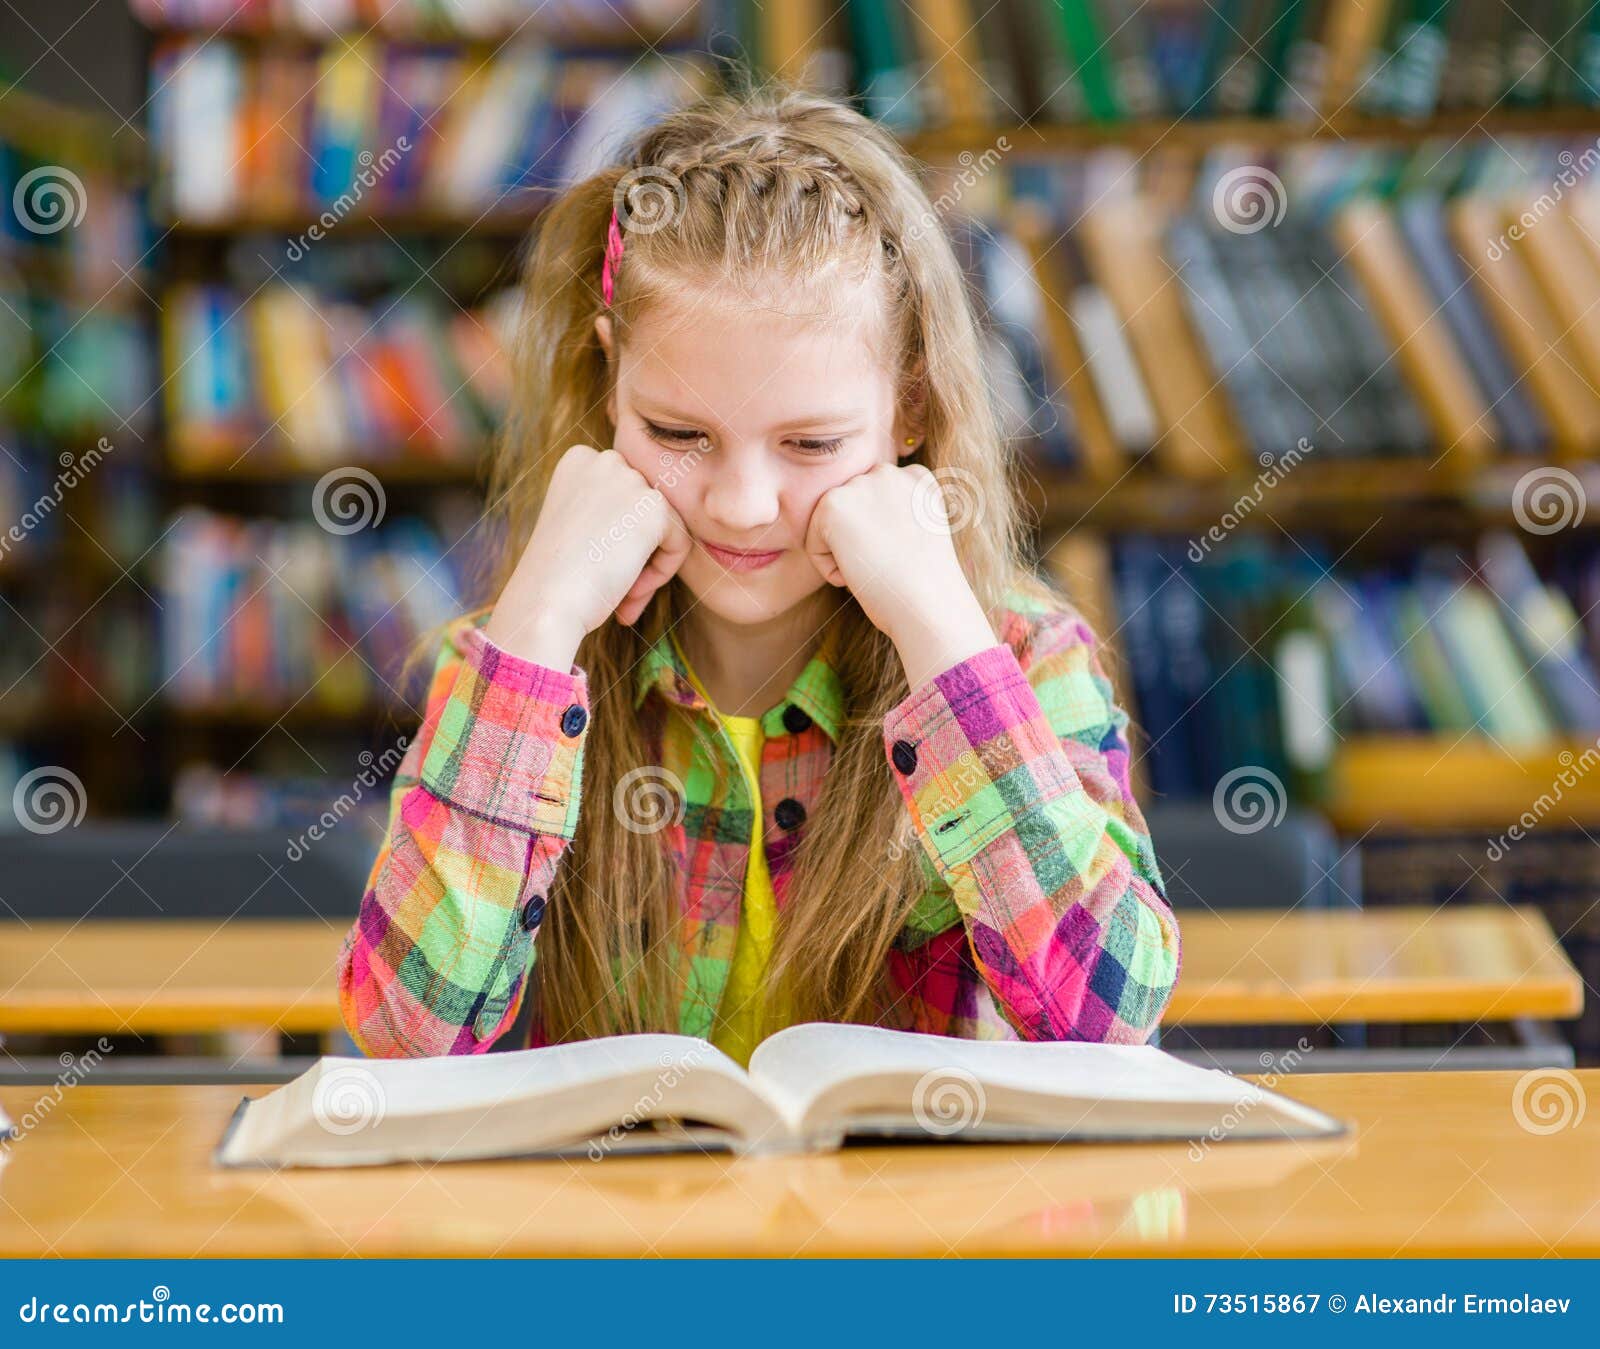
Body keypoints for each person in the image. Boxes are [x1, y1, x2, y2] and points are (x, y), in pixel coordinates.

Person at [337, 83, 1180, 1067]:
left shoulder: (1026, 654)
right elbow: (407, 1036)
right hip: (626, 1216)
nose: (741, 502)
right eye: (678, 432)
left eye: (810, 441)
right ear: (609, 382)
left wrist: (944, 636)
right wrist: (537, 620)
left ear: (909, 405)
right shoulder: (514, 662)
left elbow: (1106, 1020)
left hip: (901, 1220)